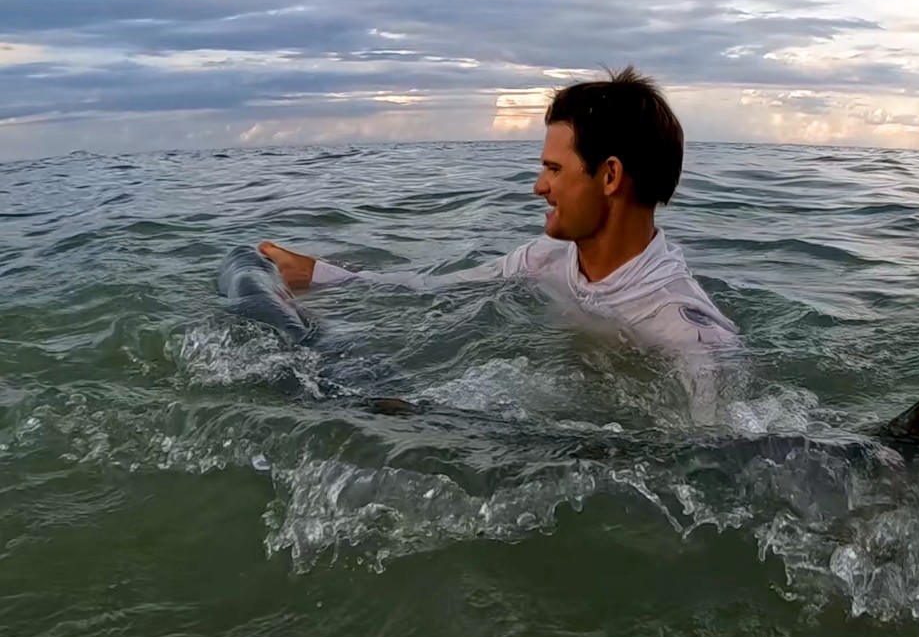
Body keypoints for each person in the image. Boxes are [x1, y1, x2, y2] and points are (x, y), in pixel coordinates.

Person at [257, 66, 740, 422]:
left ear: (610, 176)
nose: (538, 186)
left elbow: (710, 449)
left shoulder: (687, 332)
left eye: (553, 169)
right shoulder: (544, 258)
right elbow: (432, 289)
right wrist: (319, 276)